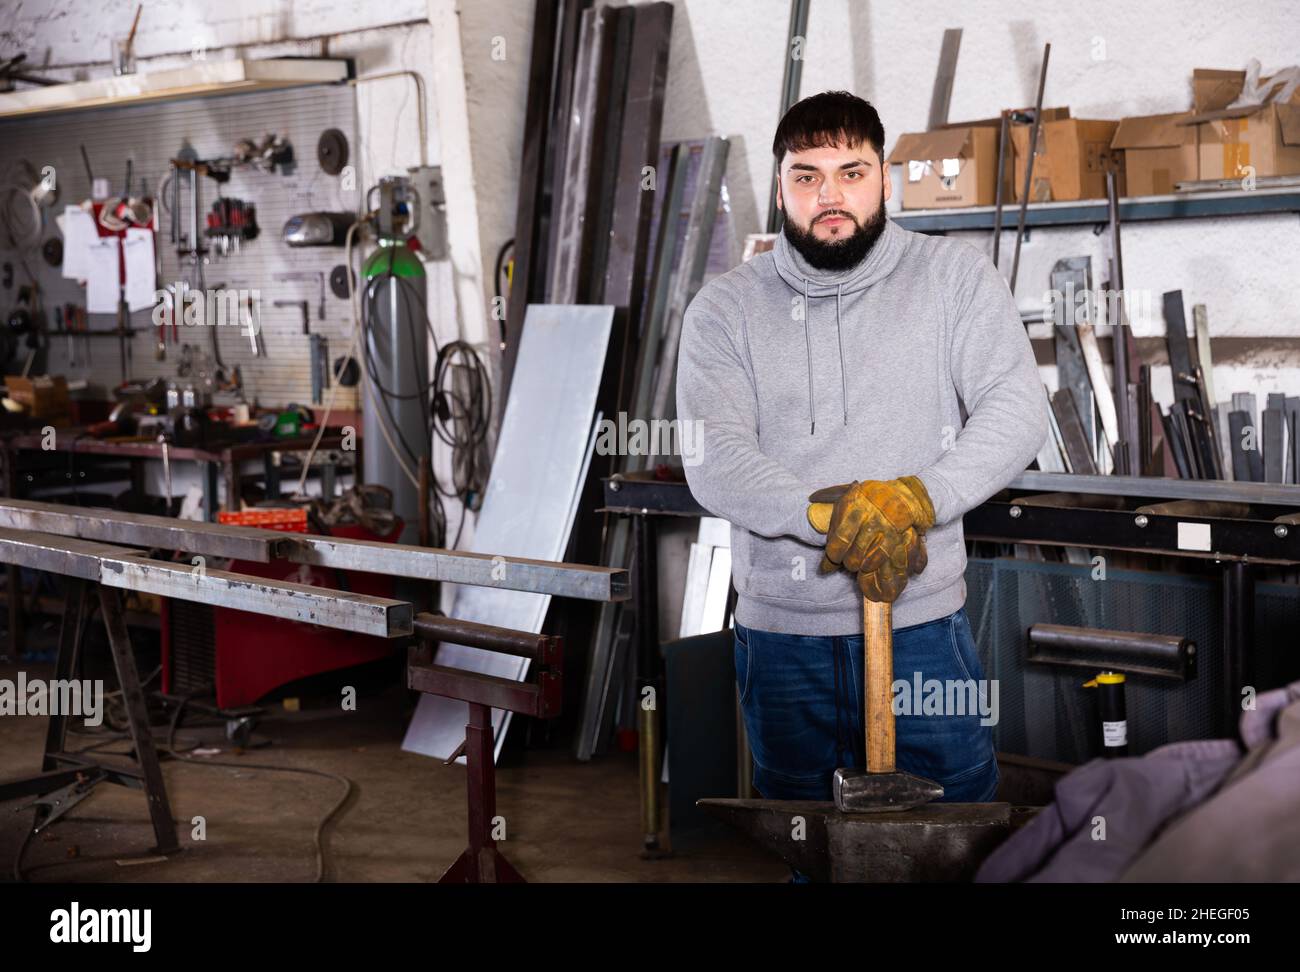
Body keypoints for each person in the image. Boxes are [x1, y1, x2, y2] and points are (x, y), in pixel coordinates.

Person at [676, 90, 1049, 839]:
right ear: (779, 187)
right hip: (783, 642)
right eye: (806, 175)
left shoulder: (954, 280)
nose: (831, 195)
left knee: (956, 832)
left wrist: (918, 496)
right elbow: (711, 456)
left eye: (852, 171)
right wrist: (828, 516)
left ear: (886, 178)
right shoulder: (724, 308)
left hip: (921, 631)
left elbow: (1017, 411)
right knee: (807, 840)